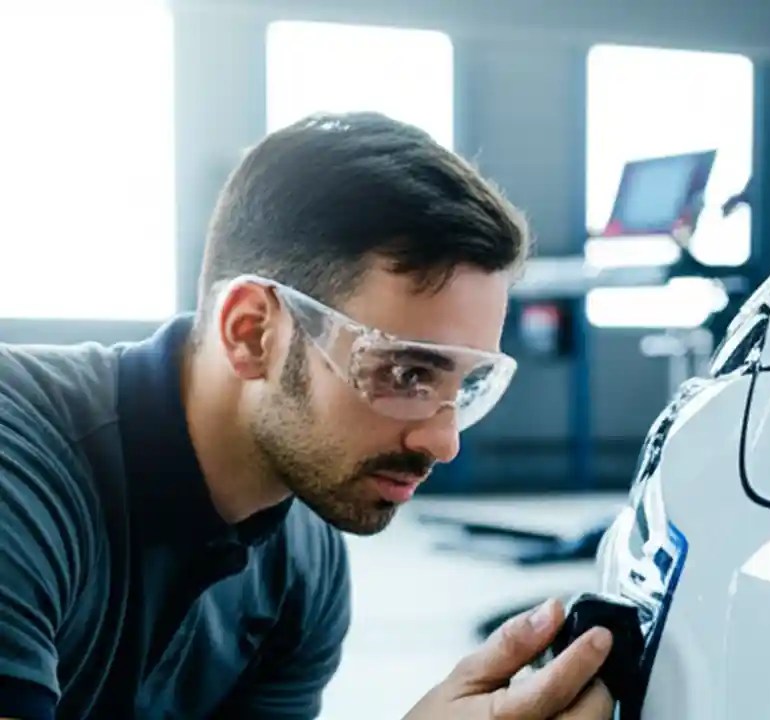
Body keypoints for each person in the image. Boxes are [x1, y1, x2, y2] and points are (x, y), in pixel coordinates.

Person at [0, 111, 614, 719]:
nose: (444, 439)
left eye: (469, 384)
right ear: (251, 333)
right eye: (405, 373)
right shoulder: (22, 471)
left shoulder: (304, 559)